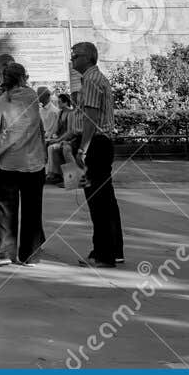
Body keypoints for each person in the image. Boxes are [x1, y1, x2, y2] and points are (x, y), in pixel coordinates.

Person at [0, 62, 46, 267]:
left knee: (5, 210)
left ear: (3, 79)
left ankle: (2, 253)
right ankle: (30, 255)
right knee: (33, 209)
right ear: (23, 77)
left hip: (9, 163)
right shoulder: (33, 97)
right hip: (34, 162)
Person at [71, 40, 125, 268]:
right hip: (101, 143)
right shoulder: (96, 78)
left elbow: (91, 119)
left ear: (89, 57)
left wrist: (83, 148)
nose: (72, 58)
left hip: (95, 144)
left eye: (76, 54)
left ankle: (104, 254)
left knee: (98, 201)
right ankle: (113, 249)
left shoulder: (91, 80)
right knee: (106, 200)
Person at [45, 92, 78, 183]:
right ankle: (54, 173)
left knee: (52, 148)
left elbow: (70, 131)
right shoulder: (60, 113)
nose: (58, 104)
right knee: (48, 145)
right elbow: (55, 128)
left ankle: (54, 174)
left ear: (66, 102)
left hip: (69, 139)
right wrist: (48, 137)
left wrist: (58, 140)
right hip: (60, 139)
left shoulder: (71, 113)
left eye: (59, 102)